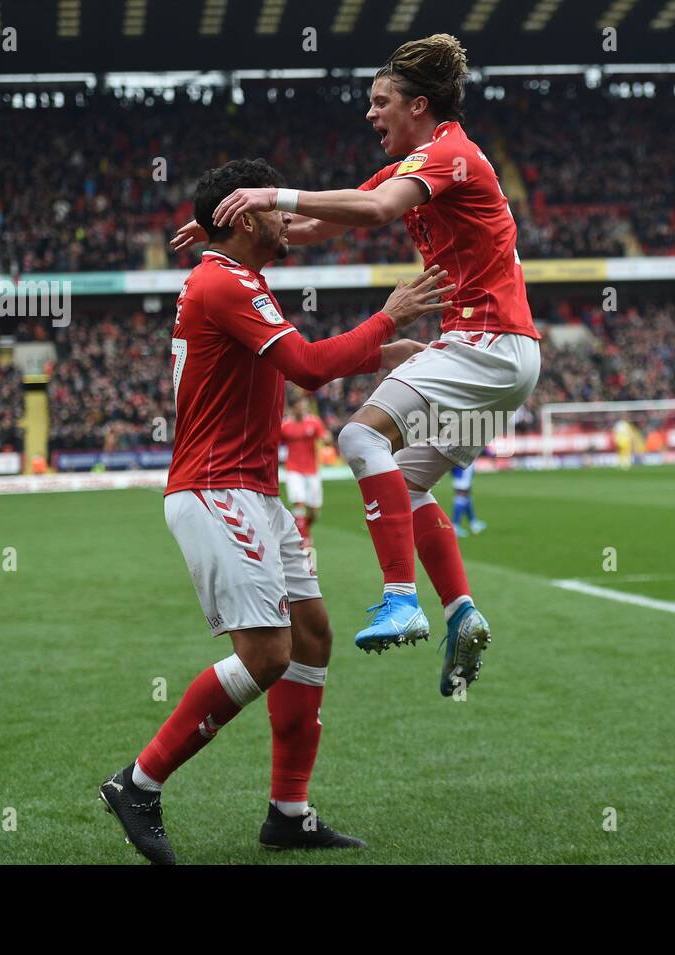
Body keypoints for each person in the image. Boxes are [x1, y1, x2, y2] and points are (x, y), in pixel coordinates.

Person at [100, 158, 452, 863]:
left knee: (312, 637)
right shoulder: (221, 280)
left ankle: (288, 812)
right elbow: (309, 368)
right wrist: (390, 315)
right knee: (267, 655)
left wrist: (382, 349)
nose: (286, 220)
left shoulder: (236, 277)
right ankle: (138, 782)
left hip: (256, 492)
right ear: (244, 219)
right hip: (216, 488)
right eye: (273, 209)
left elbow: (300, 349)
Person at [175, 34, 540, 698]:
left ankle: (401, 596)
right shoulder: (422, 160)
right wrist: (233, 224)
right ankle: (463, 612)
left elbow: (373, 210)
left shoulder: (448, 154)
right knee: (407, 480)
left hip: (486, 346)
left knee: (358, 435)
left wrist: (272, 190)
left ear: (417, 105)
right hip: (505, 359)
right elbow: (319, 227)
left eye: (381, 103)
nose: (370, 116)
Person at [279, 393, 327, 551]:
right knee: (298, 502)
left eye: (305, 404)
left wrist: (327, 438)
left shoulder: (314, 422)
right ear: (293, 408)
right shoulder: (285, 426)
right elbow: (276, 443)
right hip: (293, 470)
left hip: (312, 470)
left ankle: (305, 529)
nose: (303, 407)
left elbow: (324, 437)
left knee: (314, 511)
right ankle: (304, 538)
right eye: (300, 405)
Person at [450, 462, 486, 537]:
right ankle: (455, 526)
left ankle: (473, 523)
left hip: (464, 466)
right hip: (463, 467)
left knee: (466, 495)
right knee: (461, 495)